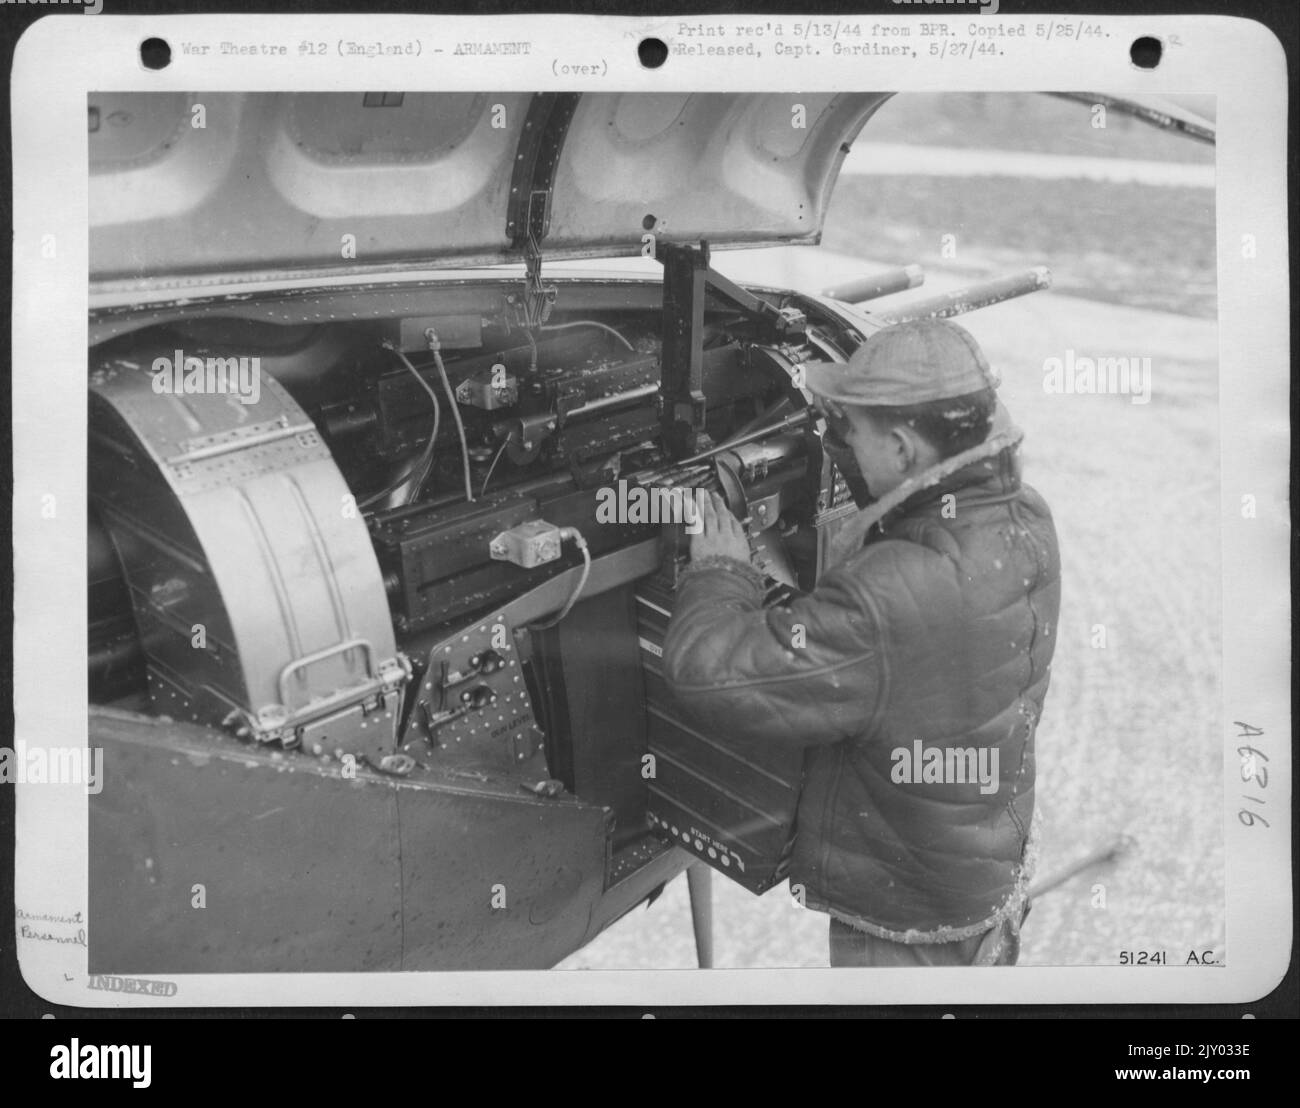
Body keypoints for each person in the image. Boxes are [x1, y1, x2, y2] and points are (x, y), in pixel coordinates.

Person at [661, 318, 1061, 966]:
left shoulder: (892, 593)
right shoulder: (1026, 515)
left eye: (854, 432)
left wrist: (720, 571)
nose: (841, 444)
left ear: (906, 451)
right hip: (981, 881)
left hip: (904, 926)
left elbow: (709, 673)